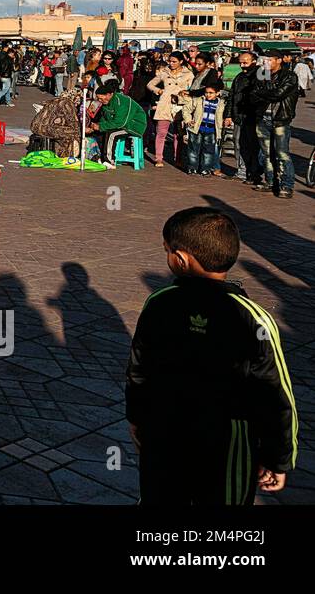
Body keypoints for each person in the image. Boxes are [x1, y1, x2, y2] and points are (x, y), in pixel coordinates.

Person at [125, 208, 296, 504]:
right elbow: (276, 393)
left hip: (164, 430)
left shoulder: (160, 303)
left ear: (180, 259)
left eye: (167, 251)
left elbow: (139, 370)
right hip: (229, 441)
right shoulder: (255, 318)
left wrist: (137, 418)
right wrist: (278, 457)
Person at [250, 49, 299, 198]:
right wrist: (263, 92)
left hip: (280, 119)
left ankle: (286, 185)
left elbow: (279, 94)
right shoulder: (262, 73)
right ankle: (270, 181)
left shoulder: (289, 76)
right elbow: (252, 95)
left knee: (282, 153)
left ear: (279, 60)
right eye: (265, 60)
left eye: (270, 59)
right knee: (265, 154)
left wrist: (262, 92)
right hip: (262, 118)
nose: (267, 63)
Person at [146, 51, 192, 168]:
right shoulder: (164, 72)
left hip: (180, 105)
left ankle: (178, 159)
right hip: (165, 104)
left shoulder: (188, 74)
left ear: (181, 61)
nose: (171, 63)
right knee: (161, 132)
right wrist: (159, 91)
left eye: (174, 61)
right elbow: (150, 84)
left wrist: (184, 95)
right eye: (170, 61)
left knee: (179, 135)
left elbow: (191, 90)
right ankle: (159, 158)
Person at [88, 78, 148, 166]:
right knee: (99, 133)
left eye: (101, 98)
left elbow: (120, 123)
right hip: (121, 125)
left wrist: (100, 126)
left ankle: (109, 161)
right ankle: (99, 156)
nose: (100, 100)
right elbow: (105, 119)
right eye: (98, 98)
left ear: (109, 94)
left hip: (133, 125)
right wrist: (95, 127)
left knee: (111, 134)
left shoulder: (122, 101)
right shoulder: (105, 104)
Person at [223, 51, 262, 184]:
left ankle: (254, 173)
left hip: (253, 117)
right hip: (239, 116)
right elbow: (231, 96)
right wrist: (228, 115)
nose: (242, 65)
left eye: (245, 62)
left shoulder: (261, 75)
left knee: (254, 146)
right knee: (239, 144)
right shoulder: (239, 77)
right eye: (240, 62)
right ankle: (242, 171)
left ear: (254, 62)